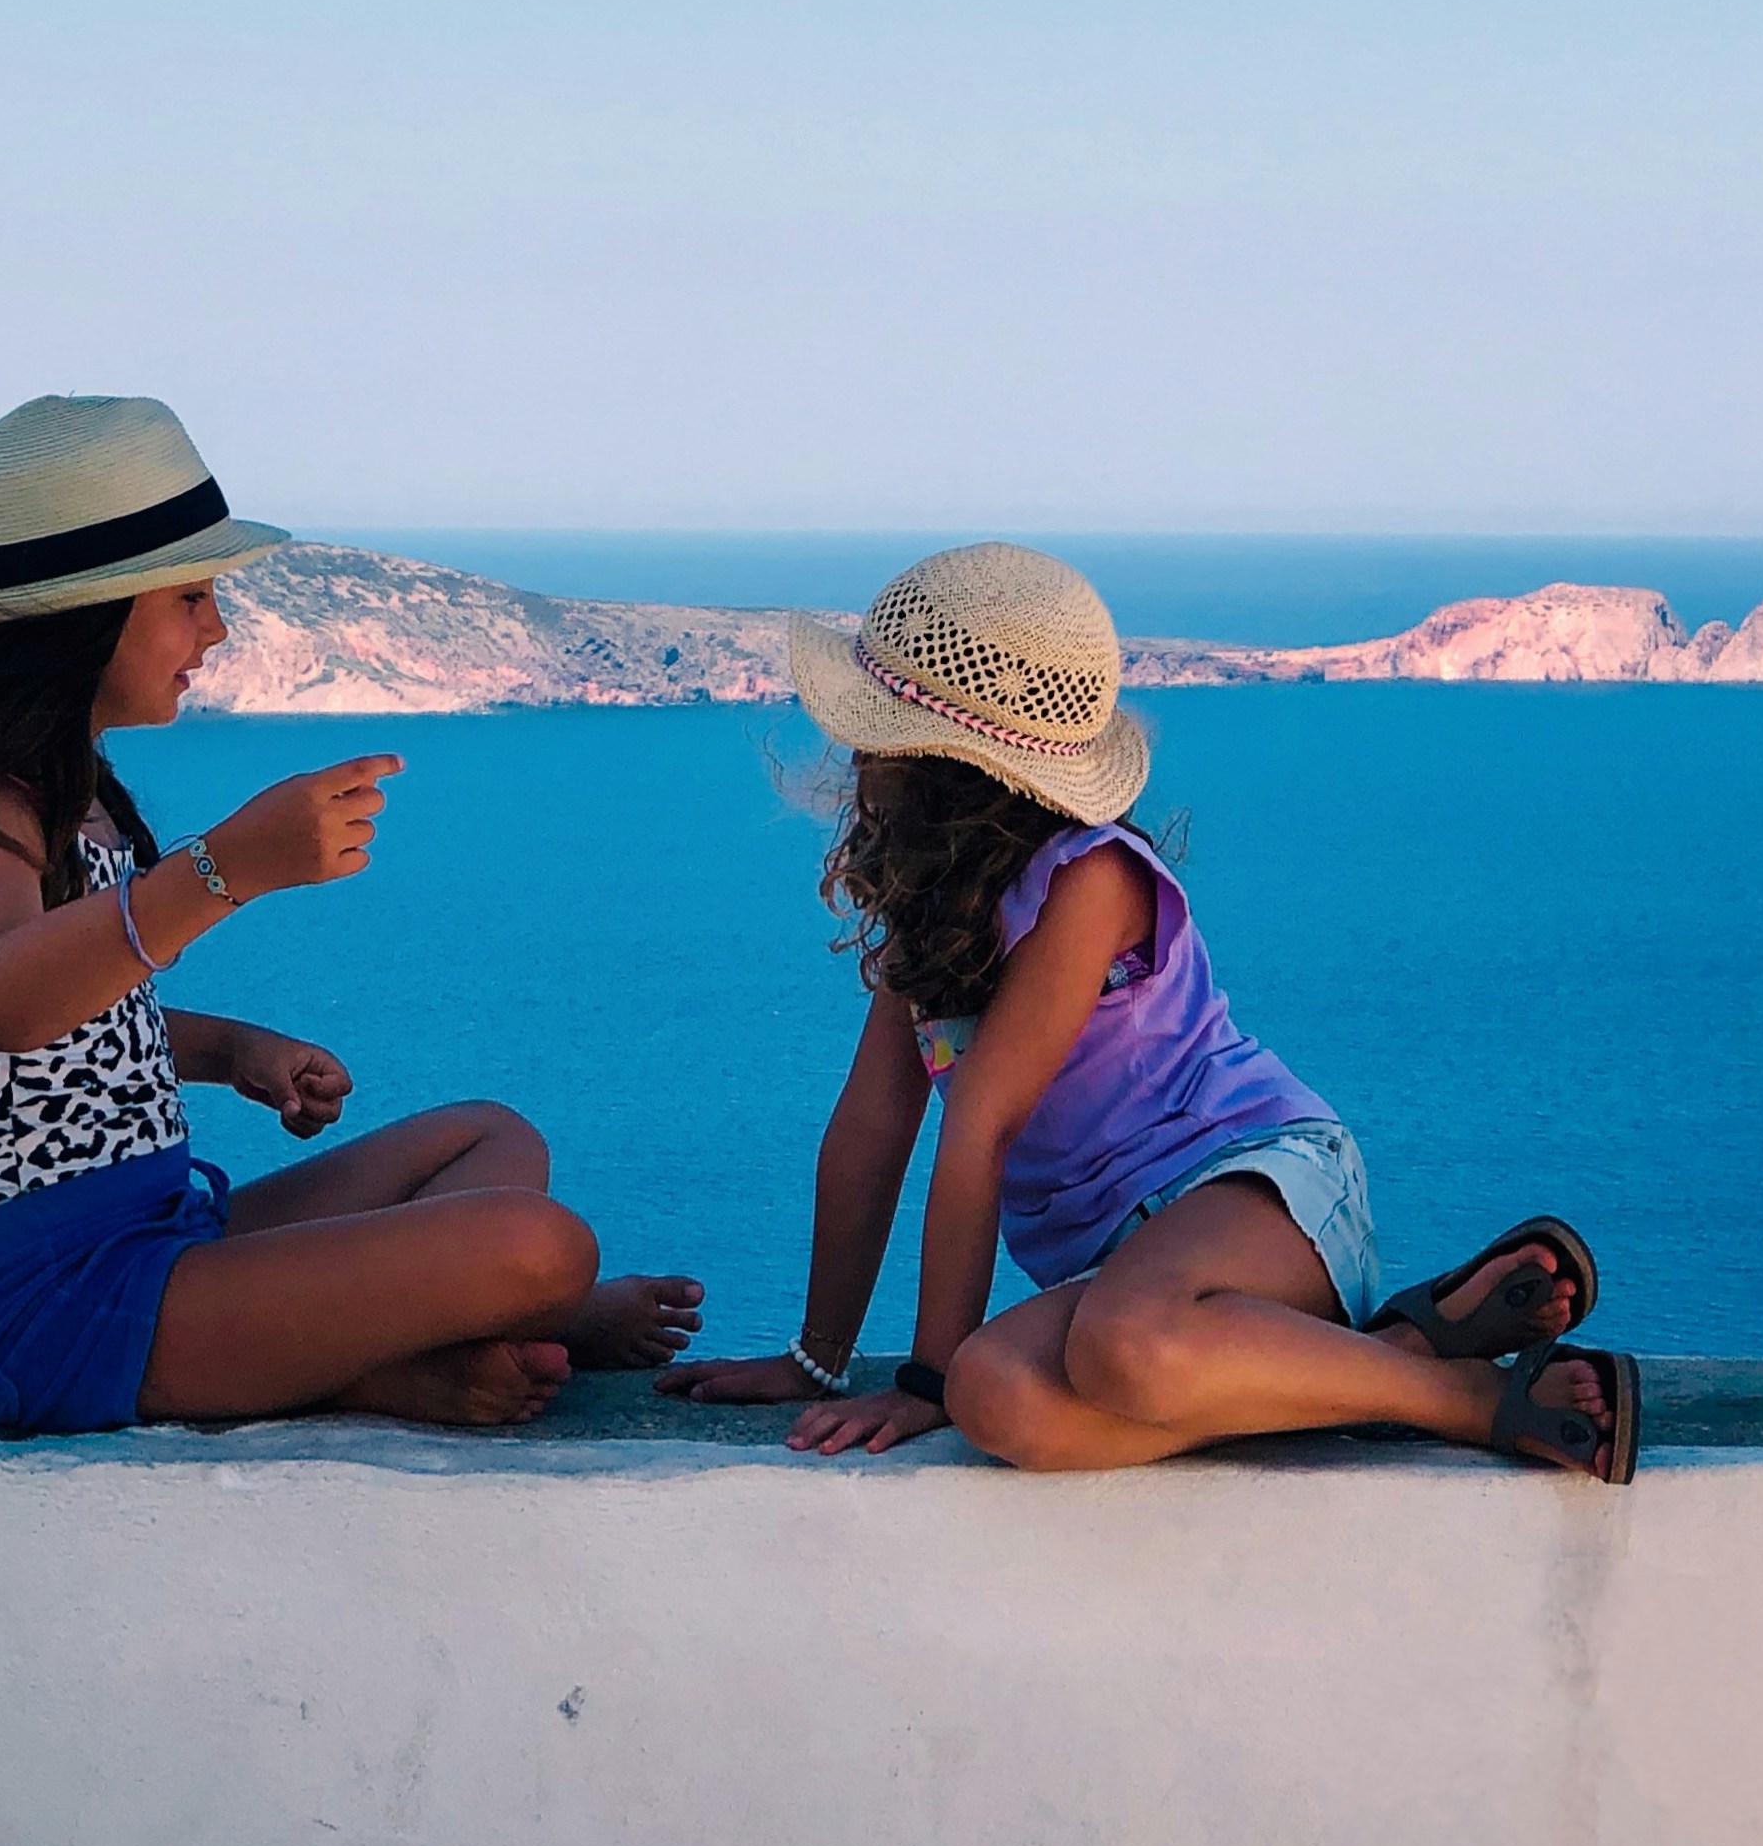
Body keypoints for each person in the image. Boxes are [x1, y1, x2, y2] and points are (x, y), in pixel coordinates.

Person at [0, 392, 700, 1433]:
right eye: (191, 596)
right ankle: (401, 1358)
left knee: (488, 1136)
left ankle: (373, 1350)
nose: (215, 628)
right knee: (542, 1250)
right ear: (84, 618)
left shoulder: (69, 791)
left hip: (165, 1238)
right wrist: (227, 868)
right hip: (49, 1315)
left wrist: (232, 1050)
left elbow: (63, 1027)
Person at [659, 541, 1638, 1481]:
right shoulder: (932, 912)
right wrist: (818, 1359)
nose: (852, 750)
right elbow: (870, 1131)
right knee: (993, 1391)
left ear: (925, 757)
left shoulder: (1092, 881)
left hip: (1259, 1188)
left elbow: (981, 1122)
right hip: (1132, 1274)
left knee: (1119, 1346)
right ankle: (1400, 1347)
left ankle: (1466, 1399)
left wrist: (917, 1379)